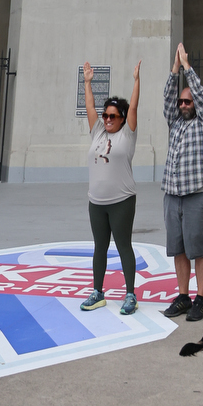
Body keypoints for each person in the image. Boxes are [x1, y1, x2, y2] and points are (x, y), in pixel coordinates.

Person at [161, 41, 203, 322]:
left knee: (198, 248)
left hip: (196, 195)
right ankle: (183, 296)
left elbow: (202, 100)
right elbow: (167, 100)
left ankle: (200, 298)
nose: (183, 105)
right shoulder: (175, 122)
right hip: (172, 195)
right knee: (178, 248)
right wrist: (174, 70)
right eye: (181, 102)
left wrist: (187, 68)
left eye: (187, 101)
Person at [81, 59, 141, 315]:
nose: (107, 118)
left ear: (122, 118)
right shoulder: (97, 132)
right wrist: (87, 82)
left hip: (121, 201)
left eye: (112, 116)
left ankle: (130, 295)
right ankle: (97, 292)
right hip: (97, 202)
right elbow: (90, 106)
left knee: (123, 245)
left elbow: (134, 105)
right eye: (105, 115)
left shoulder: (127, 134)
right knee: (99, 247)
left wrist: (137, 81)